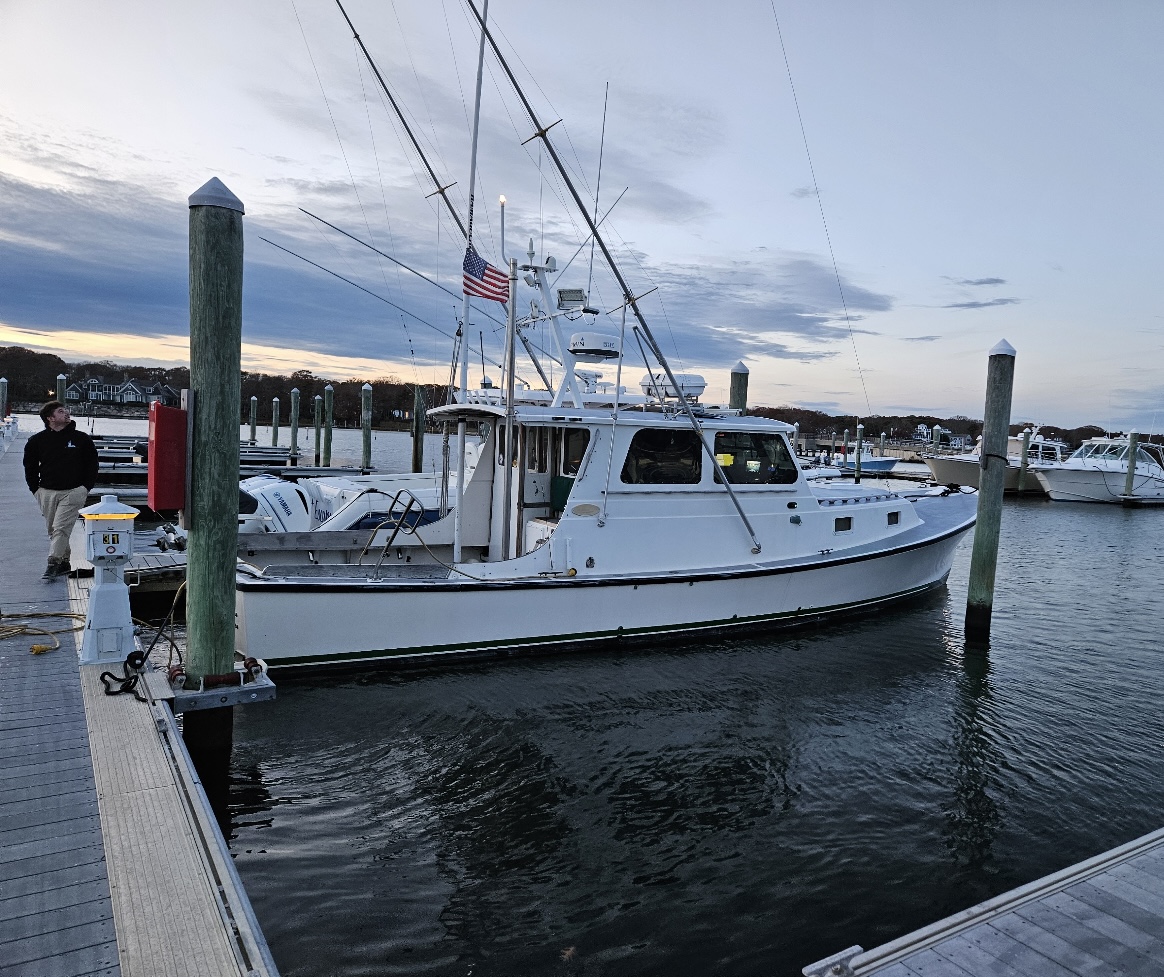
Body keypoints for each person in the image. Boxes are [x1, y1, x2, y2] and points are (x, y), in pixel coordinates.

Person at [23, 401, 99, 579]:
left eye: (66, 410)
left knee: (61, 528)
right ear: (50, 418)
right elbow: (30, 467)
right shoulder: (36, 441)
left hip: (73, 491)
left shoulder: (81, 439)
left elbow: (92, 465)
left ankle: (53, 562)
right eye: (60, 411)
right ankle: (65, 563)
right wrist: (35, 489)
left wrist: (85, 488)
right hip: (46, 491)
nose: (66, 413)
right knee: (53, 530)